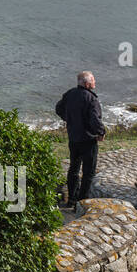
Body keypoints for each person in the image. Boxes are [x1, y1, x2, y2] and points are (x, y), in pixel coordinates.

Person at [55, 70, 105, 208]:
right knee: (88, 172)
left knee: (74, 169)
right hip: (88, 140)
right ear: (87, 83)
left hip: (74, 138)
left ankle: (72, 199)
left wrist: (69, 119)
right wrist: (101, 132)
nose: (95, 82)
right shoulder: (91, 99)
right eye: (93, 80)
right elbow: (95, 120)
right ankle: (81, 203)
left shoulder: (70, 94)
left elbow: (58, 108)